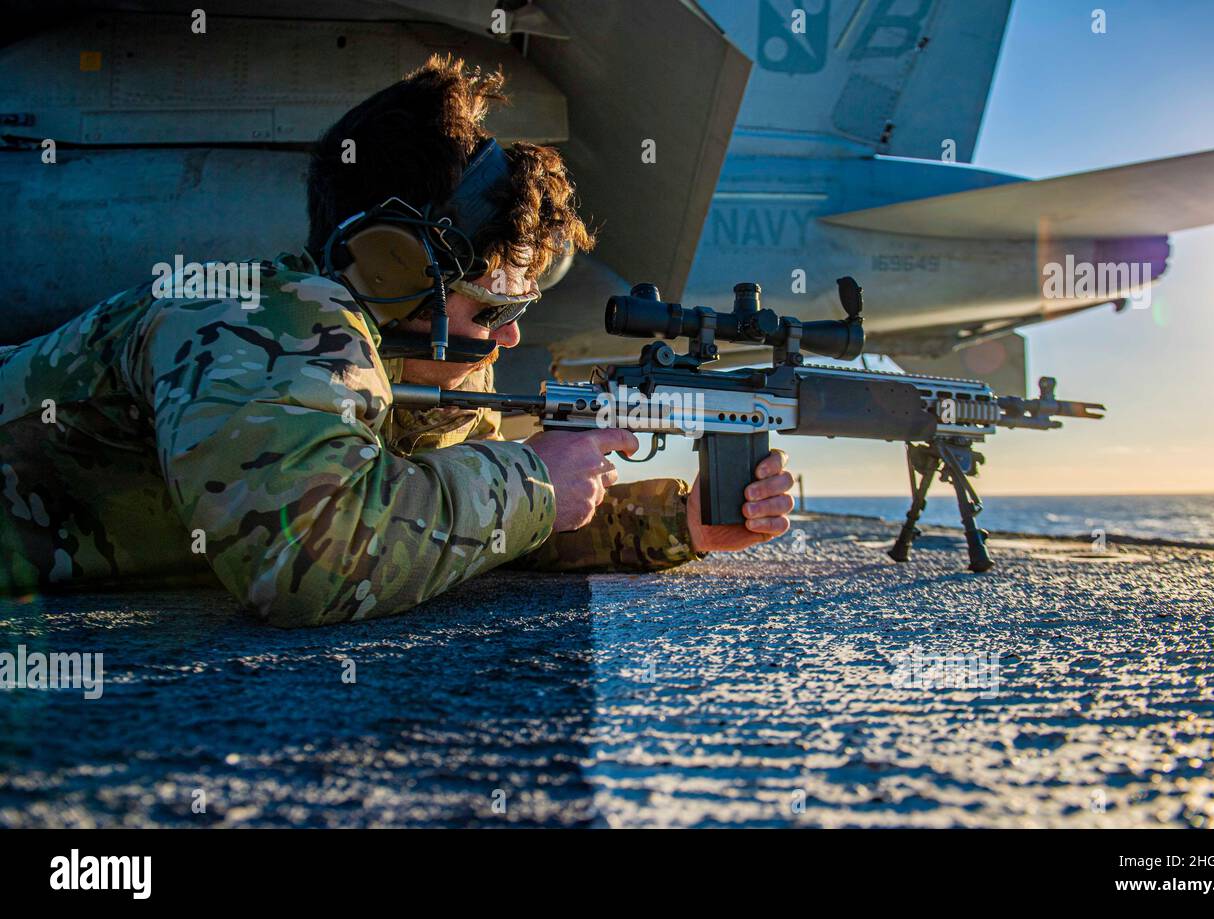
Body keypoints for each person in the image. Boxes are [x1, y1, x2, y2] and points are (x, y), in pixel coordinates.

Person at [0, 54, 795, 627]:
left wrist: (678, 524)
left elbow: (454, 529)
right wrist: (532, 477)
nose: (510, 333)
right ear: (392, 268)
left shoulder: (396, 359)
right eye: (487, 310)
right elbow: (310, 561)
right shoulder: (262, 317)